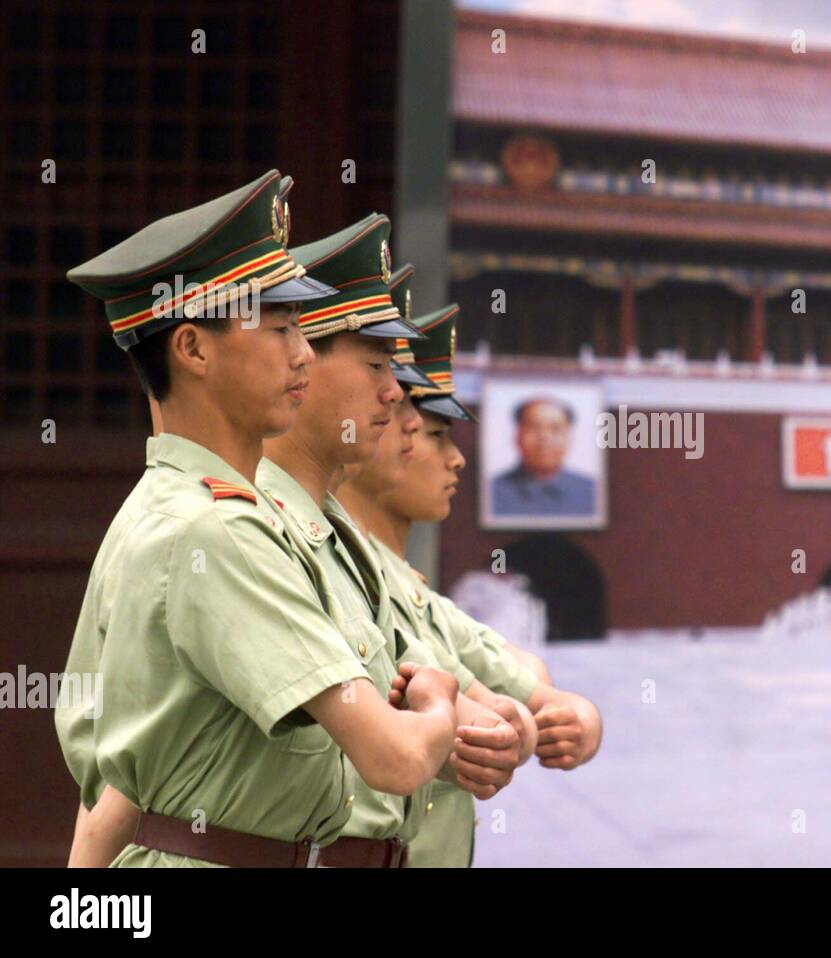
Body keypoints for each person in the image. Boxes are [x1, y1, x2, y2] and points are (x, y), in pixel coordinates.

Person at [55, 172, 461, 867]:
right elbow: (393, 760)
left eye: (302, 329)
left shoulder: (188, 511)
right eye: (278, 329)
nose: (303, 352)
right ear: (193, 349)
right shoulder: (212, 531)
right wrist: (439, 703)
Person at [258, 221, 525, 867]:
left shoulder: (346, 548)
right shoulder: (242, 528)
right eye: (378, 368)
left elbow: (486, 690)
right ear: (300, 366)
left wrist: (497, 722)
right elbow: (130, 784)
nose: (395, 406)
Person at [337, 291, 604, 866]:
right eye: (434, 433)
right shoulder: (315, 563)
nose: (454, 458)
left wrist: (551, 716)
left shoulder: (405, 586)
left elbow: (517, 681)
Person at [490, 396, 596, 517]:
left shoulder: (591, 491)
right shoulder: (491, 492)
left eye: (555, 429)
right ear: (517, 435)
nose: (544, 439)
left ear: (569, 437)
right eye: (533, 428)